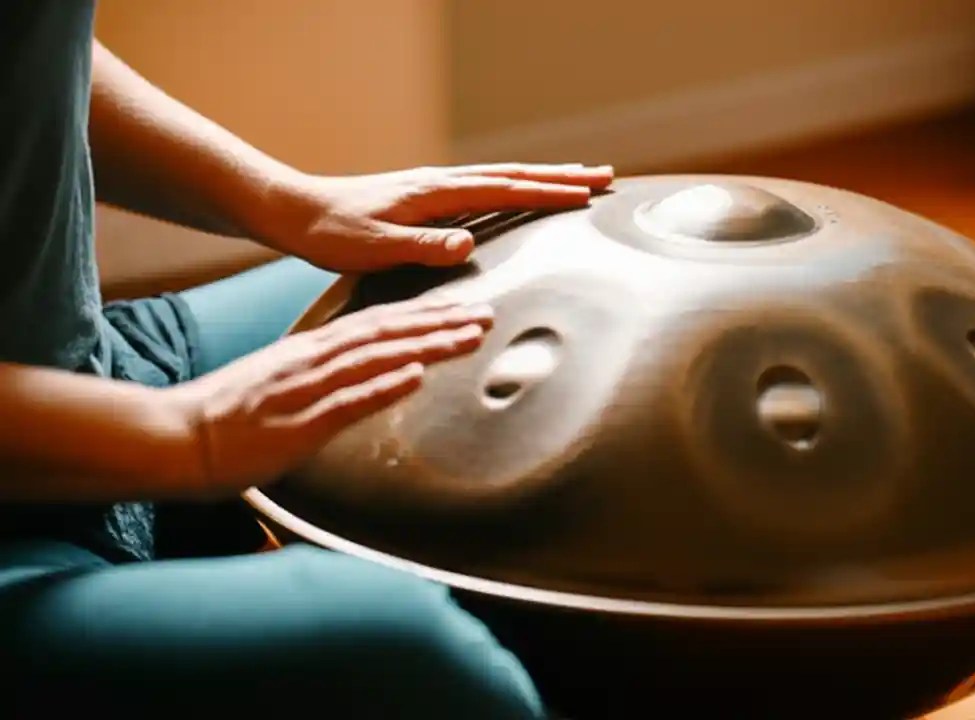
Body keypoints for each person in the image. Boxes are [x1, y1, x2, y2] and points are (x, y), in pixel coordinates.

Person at [0, 2, 612, 716]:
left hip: (97, 364)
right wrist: (184, 434)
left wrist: (290, 201)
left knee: (506, 279)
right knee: (400, 648)